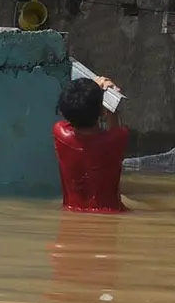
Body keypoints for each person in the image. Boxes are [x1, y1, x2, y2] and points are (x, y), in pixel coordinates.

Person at [54, 72, 128, 213]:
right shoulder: (117, 138)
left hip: (71, 214)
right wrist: (107, 100)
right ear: (102, 112)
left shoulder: (59, 133)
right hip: (111, 216)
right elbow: (115, 126)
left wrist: (93, 89)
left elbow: (71, 114)